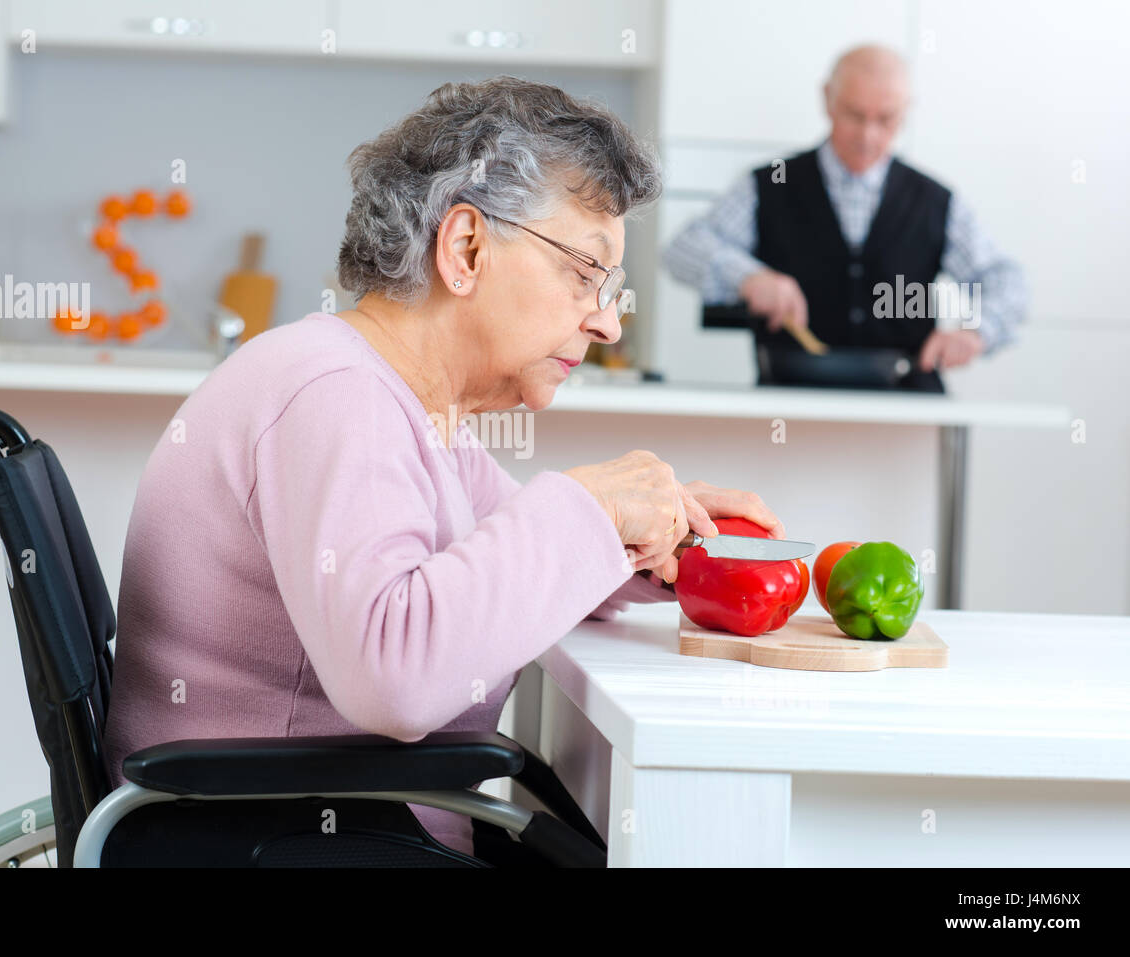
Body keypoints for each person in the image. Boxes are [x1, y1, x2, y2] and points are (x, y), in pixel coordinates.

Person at [102, 75, 786, 864]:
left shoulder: (394, 395)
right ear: (466, 248)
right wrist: (588, 508)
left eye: (611, 288)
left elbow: (498, 551)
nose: (603, 320)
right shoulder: (337, 395)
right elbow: (395, 678)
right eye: (584, 273)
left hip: (309, 828)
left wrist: (650, 530)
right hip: (277, 841)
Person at [663, 44, 1026, 391]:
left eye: (886, 119)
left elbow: (1003, 280)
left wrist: (977, 332)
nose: (868, 136)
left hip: (906, 410)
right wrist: (748, 277)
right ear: (827, 99)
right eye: (855, 115)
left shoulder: (936, 200)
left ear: (906, 111)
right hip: (788, 407)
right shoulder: (771, 182)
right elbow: (682, 249)